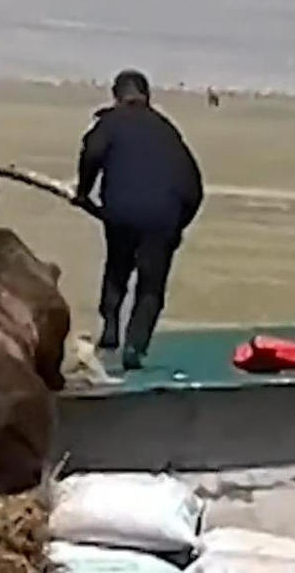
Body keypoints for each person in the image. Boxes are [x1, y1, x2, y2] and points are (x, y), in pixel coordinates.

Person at [73, 70, 203, 371]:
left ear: (116, 95)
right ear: (148, 95)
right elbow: (193, 184)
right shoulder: (166, 129)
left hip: (120, 211)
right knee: (150, 286)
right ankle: (135, 344)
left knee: (117, 267)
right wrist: (178, 225)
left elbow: (92, 152)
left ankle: (110, 329)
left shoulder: (110, 122)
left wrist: (83, 191)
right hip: (162, 216)